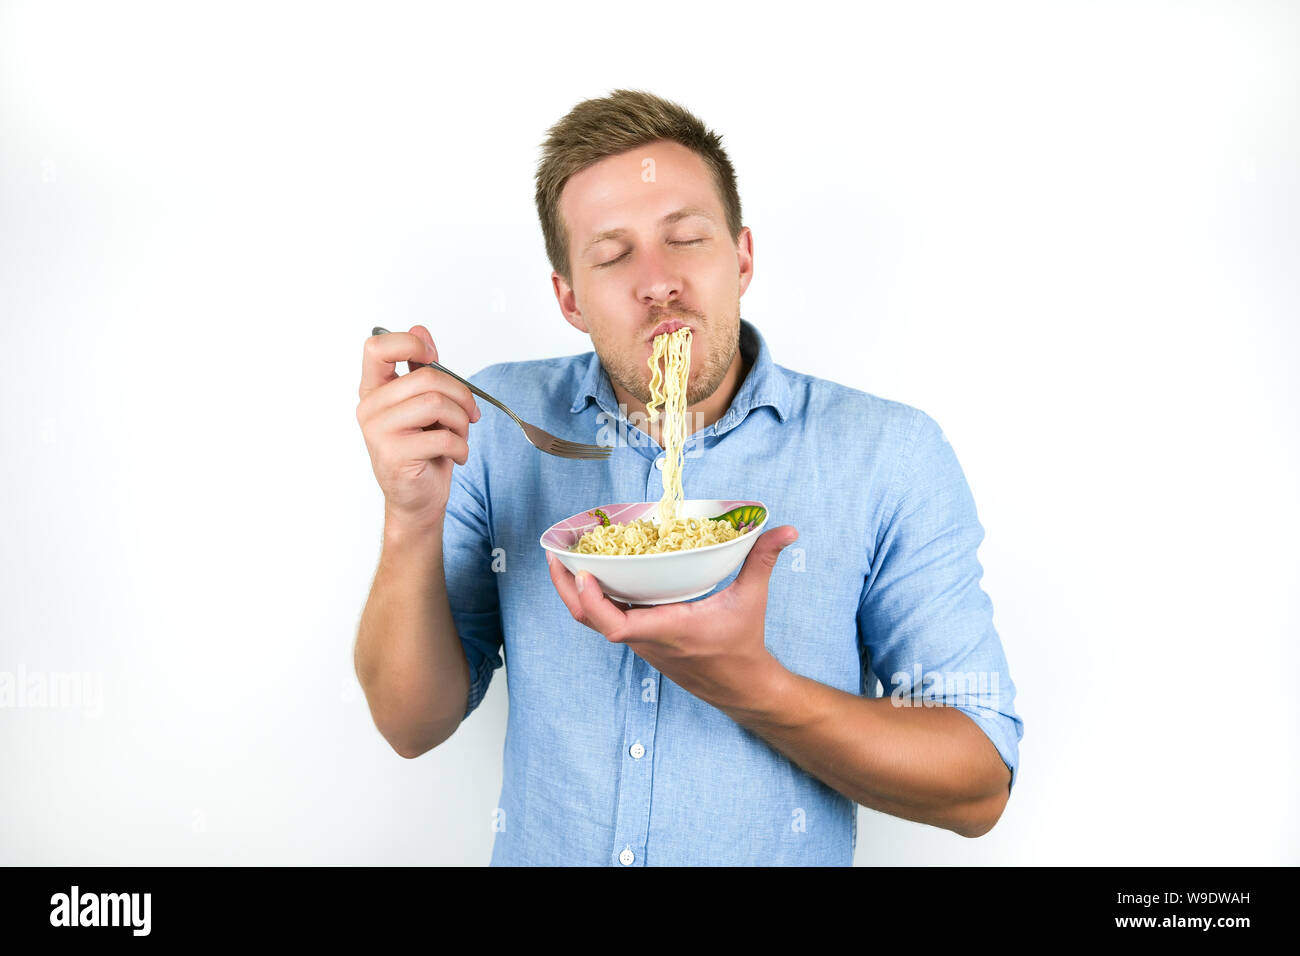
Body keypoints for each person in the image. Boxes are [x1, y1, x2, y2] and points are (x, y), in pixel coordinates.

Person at [354, 89, 1023, 866]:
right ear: (568, 296)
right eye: (611, 254)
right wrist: (409, 516)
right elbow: (410, 725)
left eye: (687, 239)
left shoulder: (888, 454)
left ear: (741, 258)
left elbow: (979, 784)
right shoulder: (497, 432)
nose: (659, 281)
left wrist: (750, 683)